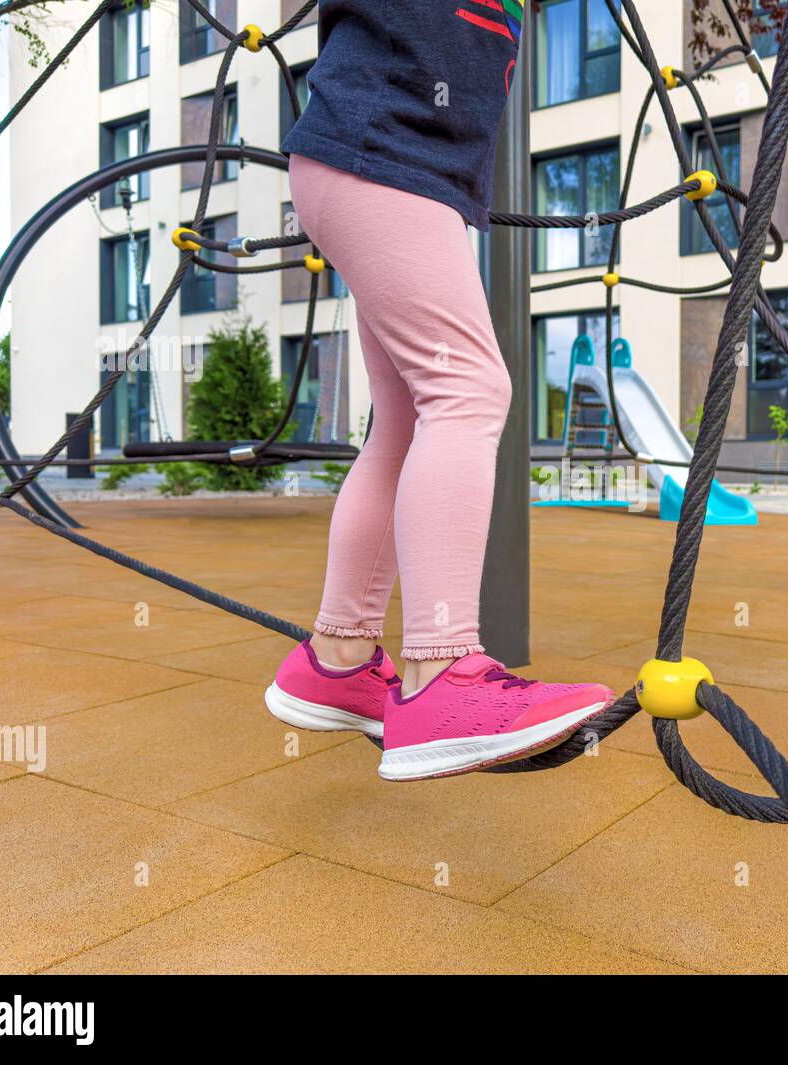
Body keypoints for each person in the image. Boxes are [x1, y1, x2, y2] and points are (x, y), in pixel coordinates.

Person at [263, 0, 615, 782]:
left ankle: (340, 655)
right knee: (468, 389)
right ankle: (439, 673)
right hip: (377, 153)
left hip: (384, 164)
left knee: (404, 420)